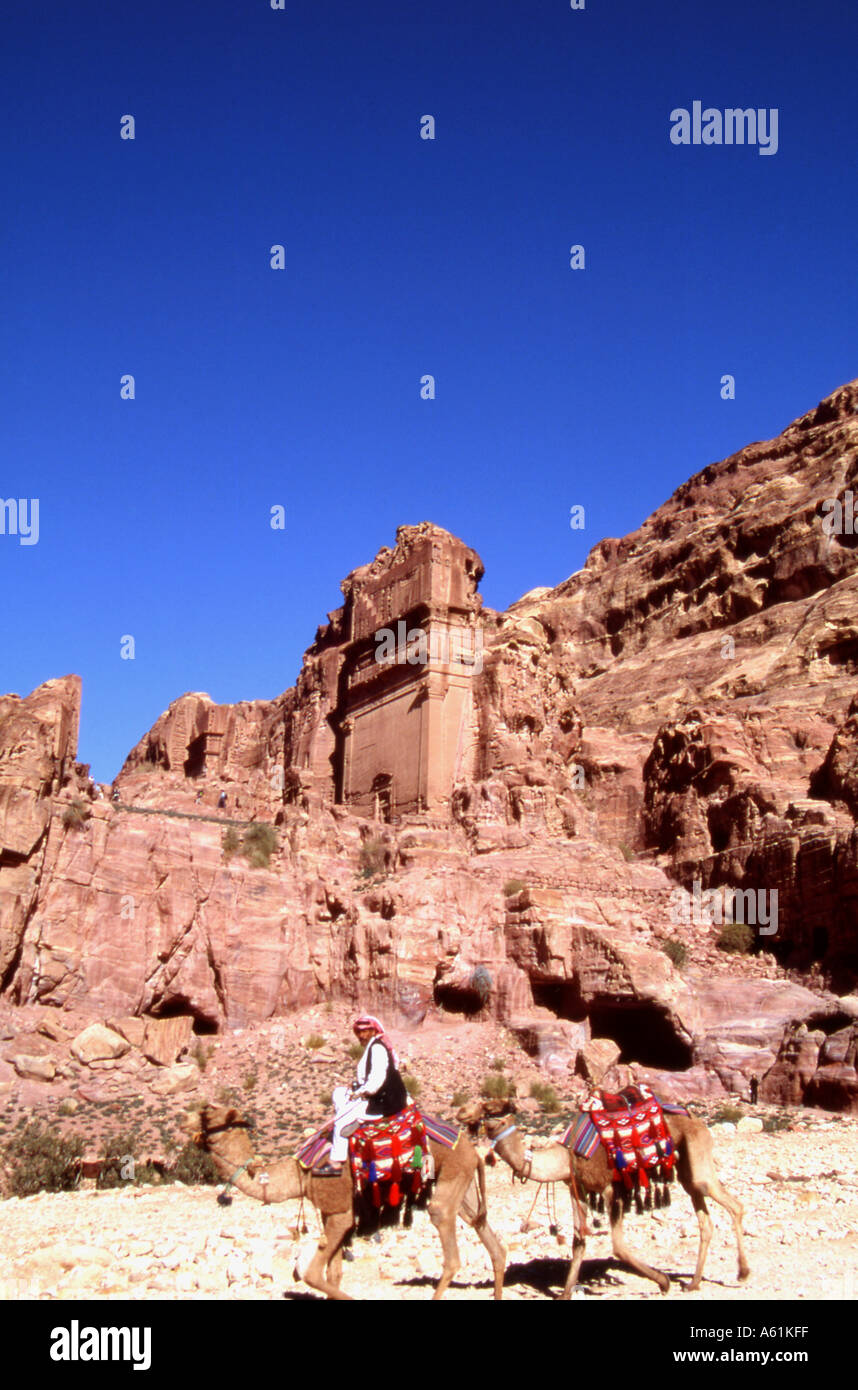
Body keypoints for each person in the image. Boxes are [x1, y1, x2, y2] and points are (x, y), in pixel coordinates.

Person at [315, 1015, 407, 1176]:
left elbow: (376, 1082)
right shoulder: (373, 1047)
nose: (361, 1036)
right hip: (377, 1096)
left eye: (365, 1032)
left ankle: (336, 1163)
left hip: (383, 1102)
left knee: (341, 1121)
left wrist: (359, 1093)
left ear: (373, 1031)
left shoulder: (377, 1048)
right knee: (339, 1093)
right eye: (359, 1032)